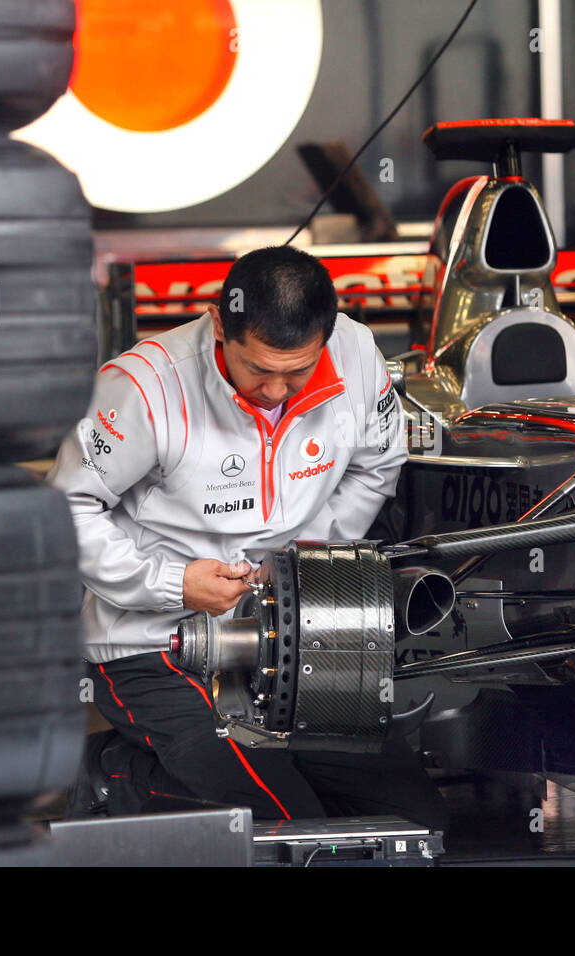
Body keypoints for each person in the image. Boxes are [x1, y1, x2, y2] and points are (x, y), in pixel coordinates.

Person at [48, 245, 447, 829]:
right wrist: (174, 583)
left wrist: (297, 570)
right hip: (150, 644)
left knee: (412, 824)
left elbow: (377, 462)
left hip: (289, 637)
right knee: (284, 824)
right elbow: (64, 506)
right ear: (218, 325)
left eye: (298, 372)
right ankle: (115, 774)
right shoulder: (146, 385)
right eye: (259, 368)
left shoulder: (356, 354)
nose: (277, 390)